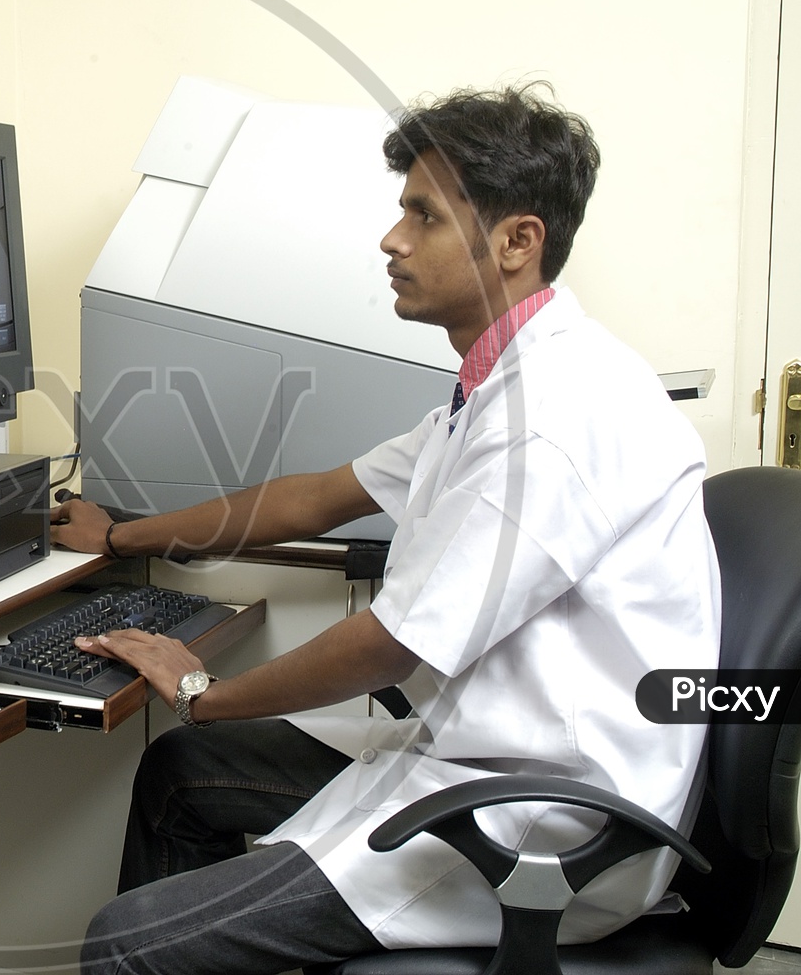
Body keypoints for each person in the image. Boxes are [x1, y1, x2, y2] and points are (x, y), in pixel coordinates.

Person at [52, 84, 721, 974]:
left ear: (518, 242)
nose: (391, 239)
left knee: (127, 943)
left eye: (423, 215)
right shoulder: (492, 389)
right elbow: (314, 498)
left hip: (546, 820)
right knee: (183, 776)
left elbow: (390, 645)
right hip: (479, 752)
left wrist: (199, 690)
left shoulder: (556, 416)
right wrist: (120, 537)